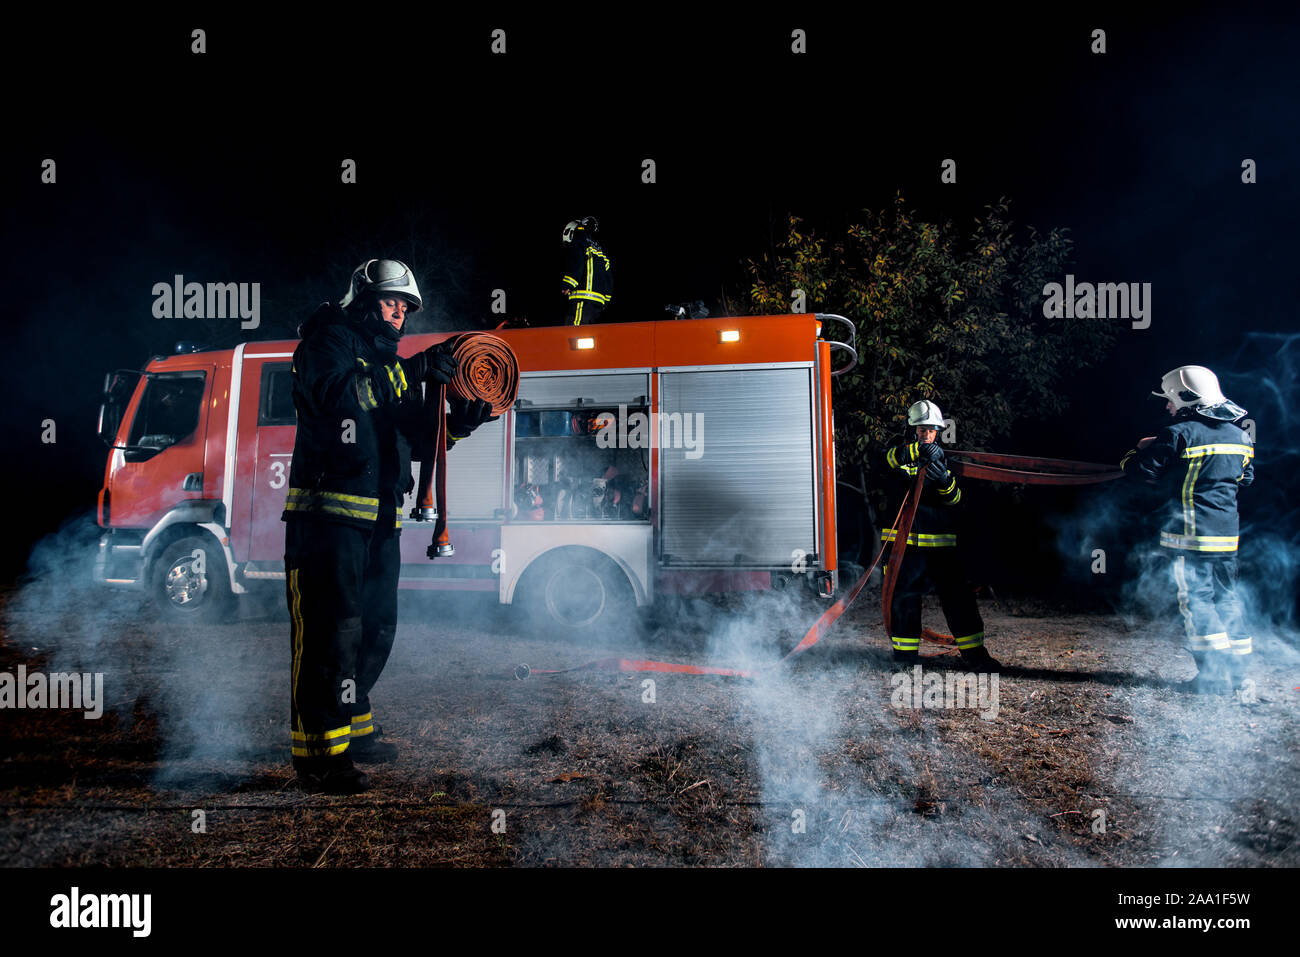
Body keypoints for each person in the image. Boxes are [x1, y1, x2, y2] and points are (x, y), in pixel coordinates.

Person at [282, 259, 497, 794]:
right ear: (362, 299)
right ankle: (319, 757)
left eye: (405, 306)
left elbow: (419, 444)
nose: (400, 313)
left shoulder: (387, 360)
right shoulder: (326, 342)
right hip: (328, 518)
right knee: (332, 634)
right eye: (390, 302)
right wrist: (416, 370)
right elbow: (342, 404)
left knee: (375, 629)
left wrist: (459, 422)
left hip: (380, 519)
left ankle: (354, 731)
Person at [1120, 365, 1254, 694]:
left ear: (1186, 398)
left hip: (1189, 538)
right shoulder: (1241, 436)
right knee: (1228, 600)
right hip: (1227, 538)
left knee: (1196, 603)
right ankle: (1240, 677)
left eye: (1169, 400)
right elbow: (1244, 479)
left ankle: (1210, 677)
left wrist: (1138, 449)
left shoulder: (1179, 433)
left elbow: (1138, 472)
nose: (1167, 406)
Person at [880, 400, 1000, 671]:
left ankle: (975, 654)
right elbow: (886, 462)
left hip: (941, 547)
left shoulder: (946, 460)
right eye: (922, 430)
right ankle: (906, 659)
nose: (927, 435)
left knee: (960, 600)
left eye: (932, 430)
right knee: (905, 600)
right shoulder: (896, 456)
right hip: (905, 547)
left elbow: (956, 501)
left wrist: (945, 481)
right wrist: (915, 452)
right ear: (911, 430)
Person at [561, 216, 612, 326]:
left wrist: (567, 284)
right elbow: (609, 278)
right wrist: (605, 300)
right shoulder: (600, 249)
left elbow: (576, 262)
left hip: (582, 298)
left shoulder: (579, 239)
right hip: (597, 303)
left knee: (574, 333)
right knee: (588, 335)